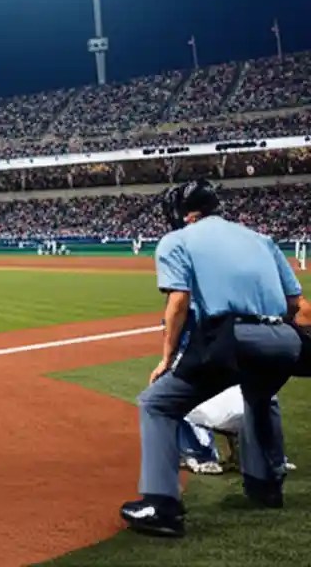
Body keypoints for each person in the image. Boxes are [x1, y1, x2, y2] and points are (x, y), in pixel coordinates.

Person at [120, 180, 309, 538]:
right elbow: (293, 305)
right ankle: (266, 486)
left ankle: (162, 506)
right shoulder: (260, 239)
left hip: (230, 337)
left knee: (157, 404)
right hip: (284, 340)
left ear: (186, 215)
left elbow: (178, 301)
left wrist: (167, 358)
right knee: (260, 396)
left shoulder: (177, 240)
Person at [178, 386, 295, 475]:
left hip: (216, 415)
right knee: (267, 399)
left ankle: (203, 458)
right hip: (251, 416)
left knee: (176, 403)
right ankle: (273, 458)